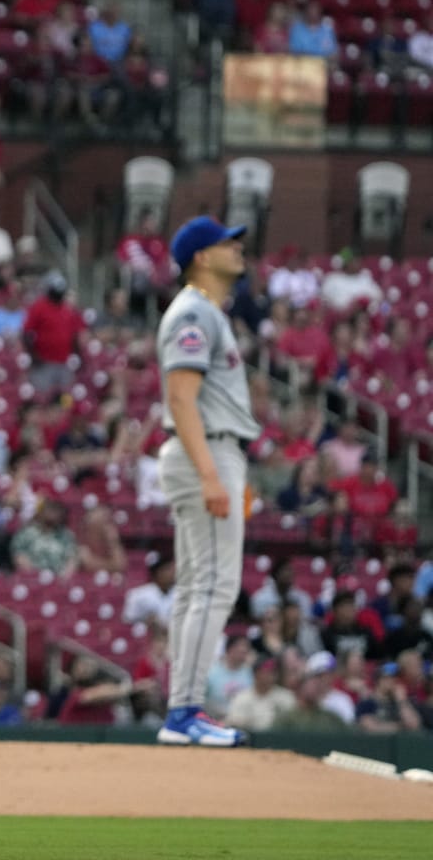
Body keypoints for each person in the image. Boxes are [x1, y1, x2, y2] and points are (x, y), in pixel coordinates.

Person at [153, 217, 261, 747]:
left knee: (198, 586)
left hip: (213, 449)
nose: (237, 247)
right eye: (226, 242)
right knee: (214, 586)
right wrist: (212, 474)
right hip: (206, 450)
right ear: (200, 256)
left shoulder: (206, 311)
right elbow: (180, 398)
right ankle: (185, 713)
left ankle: (183, 709)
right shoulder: (194, 311)